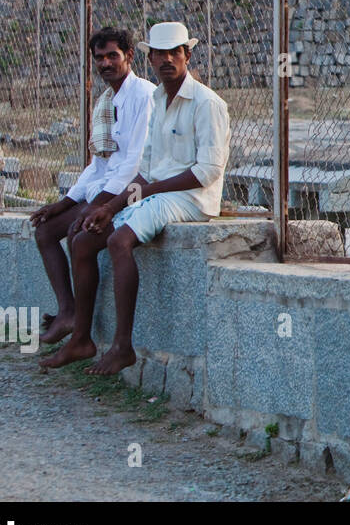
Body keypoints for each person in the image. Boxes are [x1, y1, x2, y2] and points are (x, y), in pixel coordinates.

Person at [40, 22, 230, 375]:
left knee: (118, 240)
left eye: (175, 53)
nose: (167, 60)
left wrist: (146, 194)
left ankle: (122, 346)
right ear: (150, 58)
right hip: (155, 195)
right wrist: (109, 206)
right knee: (82, 241)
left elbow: (207, 172)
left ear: (187, 55)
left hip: (190, 198)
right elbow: (143, 170)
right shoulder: (158, 99)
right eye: (160, 54)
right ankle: (81, 338)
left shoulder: (207, 103)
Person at [28, 28, 154, 346]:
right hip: (106, 185)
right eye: (99, 58)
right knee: (44, 230)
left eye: (113, 55)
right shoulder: (106, 100)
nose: (105, 63)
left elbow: (134, 164)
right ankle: (67, 312)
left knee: (78, 232)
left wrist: (99, 204)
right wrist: (65, 201)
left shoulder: (144, 96)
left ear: (129, 56)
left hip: (132, 189)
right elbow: (98, 164)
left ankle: (83, 334)